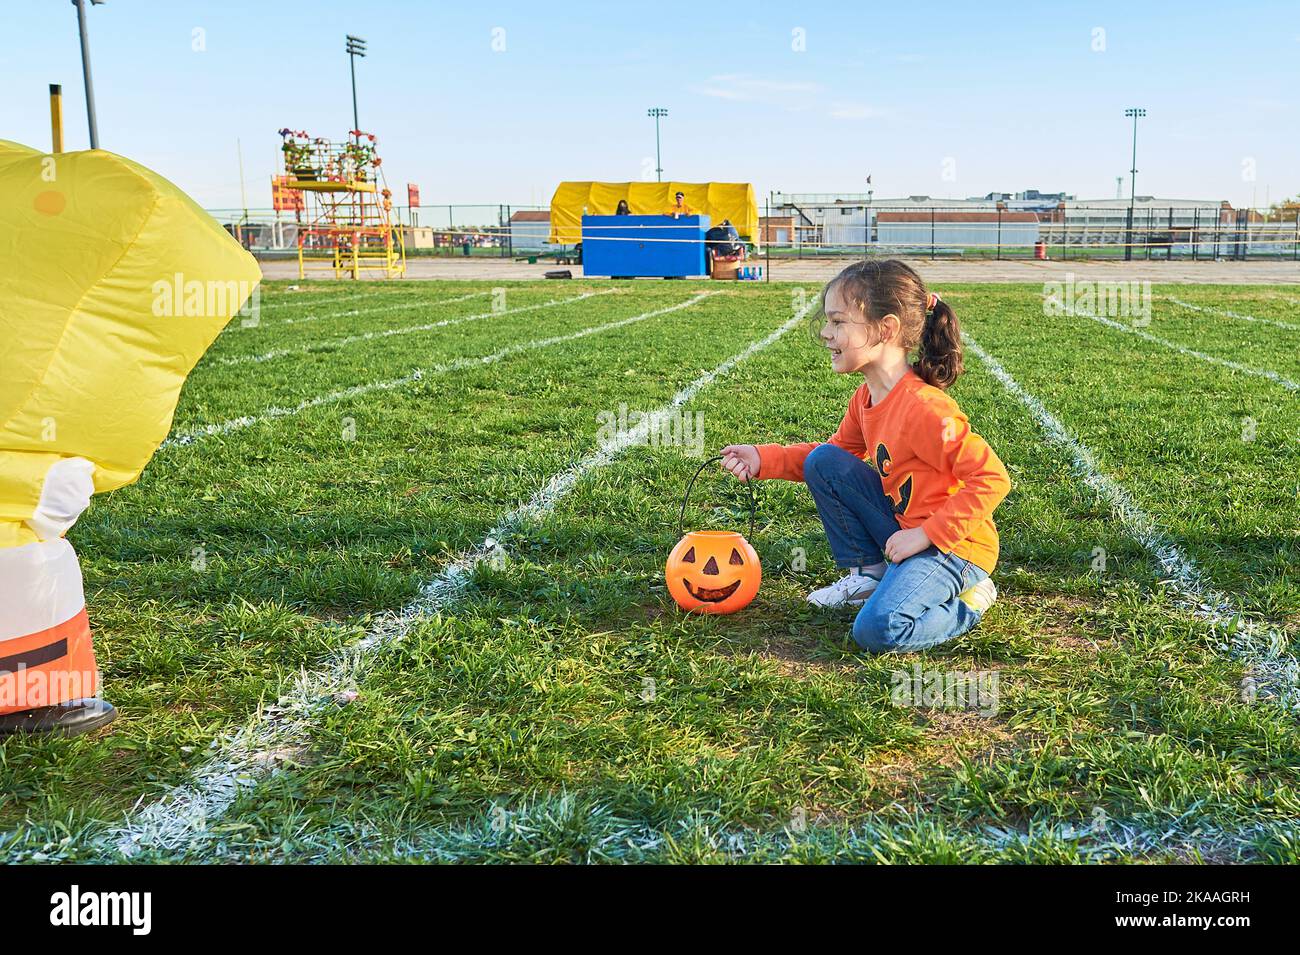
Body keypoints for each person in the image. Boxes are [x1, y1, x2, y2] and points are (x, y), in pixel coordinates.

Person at [719, 259, 1011, 654]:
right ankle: (869, 575)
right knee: (825, 462)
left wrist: (925, 535)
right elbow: (832, 458)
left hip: (954, 547)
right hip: (904, 529)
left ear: (885, 329)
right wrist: (763, 458)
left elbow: (991, 478)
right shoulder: (866, 398)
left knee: (877, 630)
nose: (826, 333)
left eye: (838, 322)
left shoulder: (926, 410)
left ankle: (970, 601)